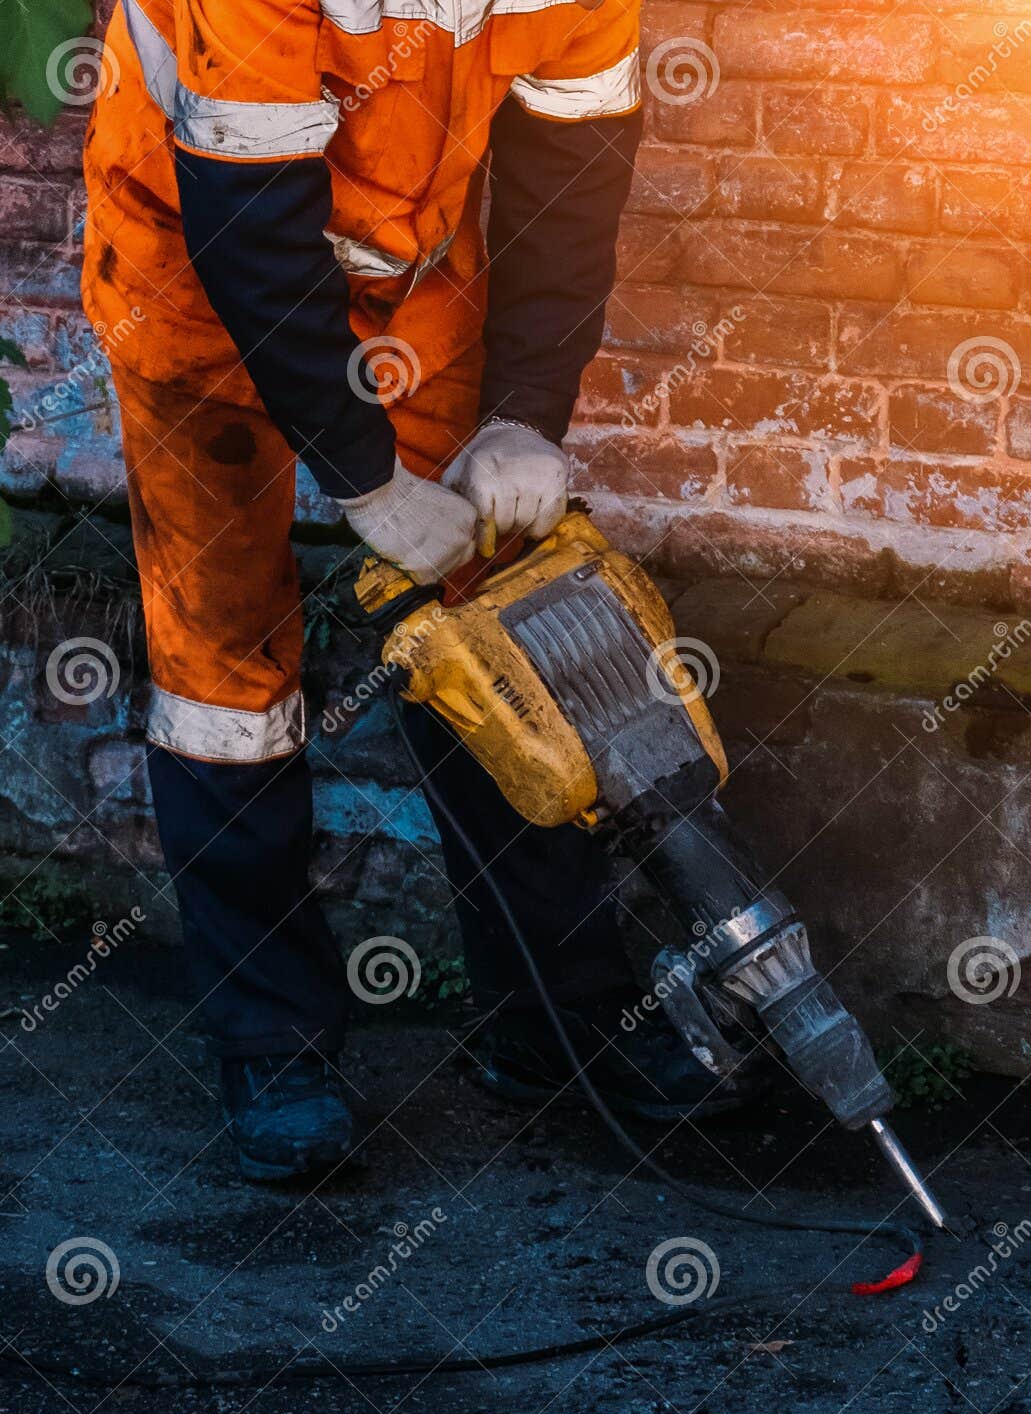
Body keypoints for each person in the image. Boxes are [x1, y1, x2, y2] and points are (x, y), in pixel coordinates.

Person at [82, 0, 742, 1182]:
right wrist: (365, 480)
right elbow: (253, 222)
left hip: (415, 290)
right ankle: (269, 1038)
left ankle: (557, 1025)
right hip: (189, 269)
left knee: (497, 635)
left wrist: (525, 414)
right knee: (224, 667)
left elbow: (572, 165)